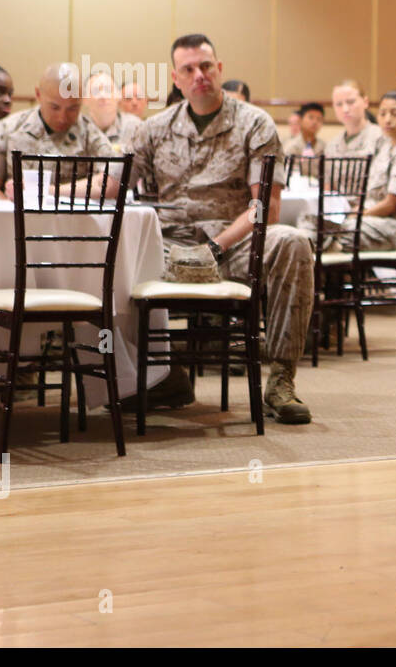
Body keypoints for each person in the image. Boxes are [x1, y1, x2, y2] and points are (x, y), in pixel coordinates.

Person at [128, 34, 315, 424]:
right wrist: (45, 186)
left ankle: (281, 382)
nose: (199, 75)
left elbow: (266, 208)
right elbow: (113, 187)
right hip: (169, 245)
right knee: (112, 255)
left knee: (293, 243)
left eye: (206, 66)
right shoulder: (154, 128)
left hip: (234, 244)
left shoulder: (254, 123)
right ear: (175, 79)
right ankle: (162, 376)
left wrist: (215, 246)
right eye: (189, 69)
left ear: (220, 70)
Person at [310, 91, 396, 254]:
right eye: (382, 113)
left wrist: (357, 214)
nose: (387, 119)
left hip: (392, 227)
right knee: (310, 221)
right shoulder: (384, 148)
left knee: (336, 230)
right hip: (370, 219)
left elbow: (391, 204)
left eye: (394, 113)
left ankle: (331, 267)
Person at [0, 62, 120, 200]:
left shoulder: (89, 133)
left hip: (75, 219)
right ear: (38, 95)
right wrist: (6, 203)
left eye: (72, 109)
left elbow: (113, 180)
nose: (62, 118)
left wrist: (48, 191)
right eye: (54, 107)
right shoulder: (8, 129)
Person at [84, 71, 142, 152]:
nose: (102, 96)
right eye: (95, 91)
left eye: (108, 90)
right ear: (84, 99)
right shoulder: (77, 130)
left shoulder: (135, 127)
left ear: (118, 96)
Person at [326, 80, 383, 156]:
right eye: (339, 104)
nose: (345, 109)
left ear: (365, 102)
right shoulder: (331, 146)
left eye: (351, 102)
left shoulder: (381, 137)